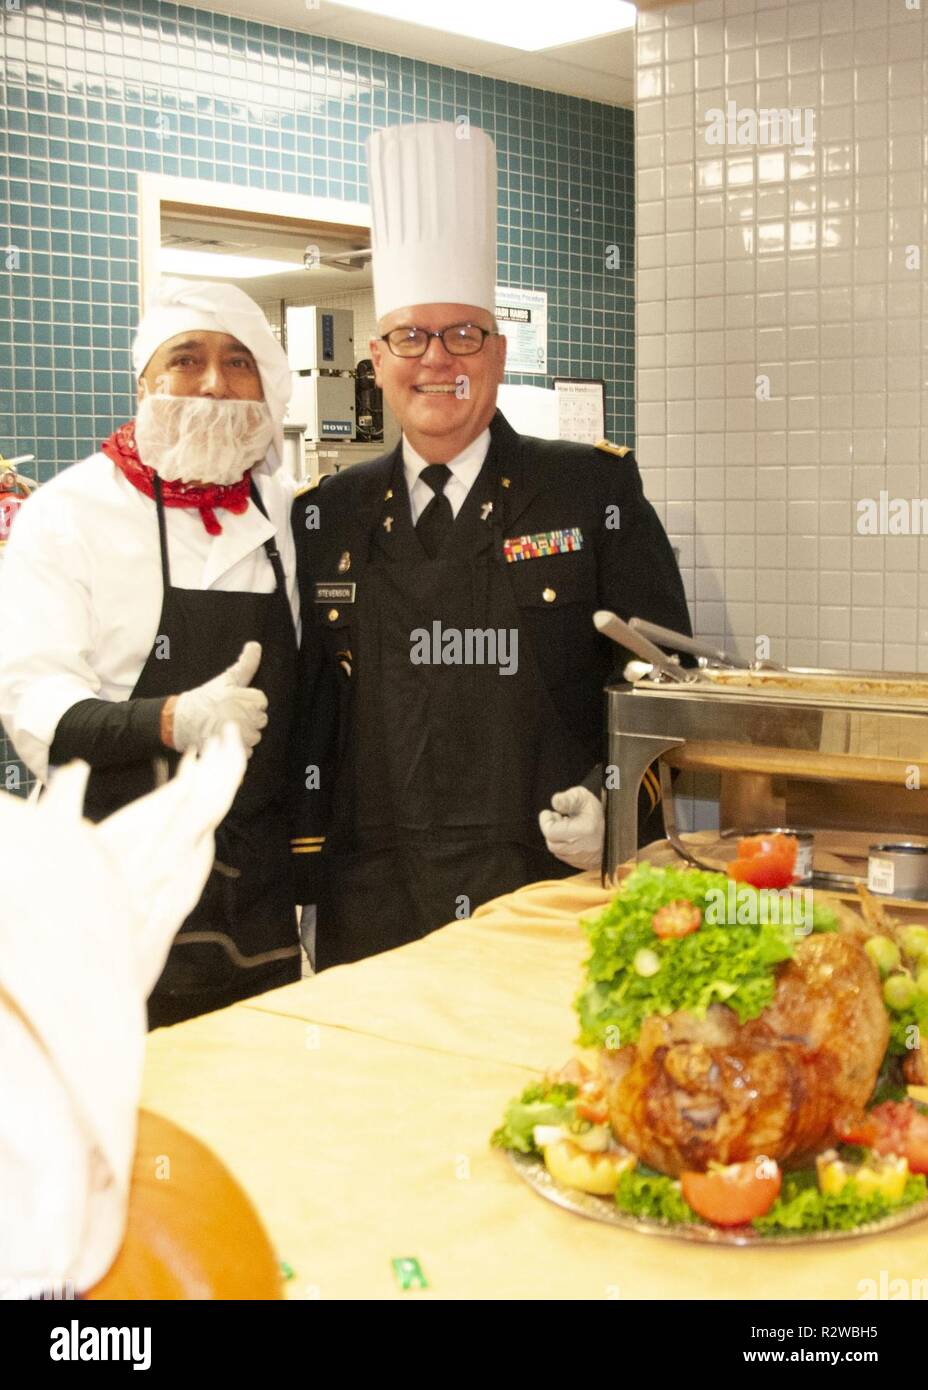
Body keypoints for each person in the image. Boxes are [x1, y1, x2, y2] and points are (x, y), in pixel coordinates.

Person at [291, 121, 691, 969]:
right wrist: (299, 872)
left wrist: (612, 803)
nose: (438, 359)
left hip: (545, 887)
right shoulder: (331, 509)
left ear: (499, 353)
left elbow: (667, 679)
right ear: (376, 357)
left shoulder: (592, 489)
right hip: (375, 902)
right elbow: (314, 710)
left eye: (464, 334)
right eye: (411, 336)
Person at [0, 278, 303, 1026]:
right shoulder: (67, 514)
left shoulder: (292, 513)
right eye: (186, 359)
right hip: (111, 891)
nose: (212, 383)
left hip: (258, 901)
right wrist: (172, 719)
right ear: (145, 381)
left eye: (238, 363)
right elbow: (36, 704)